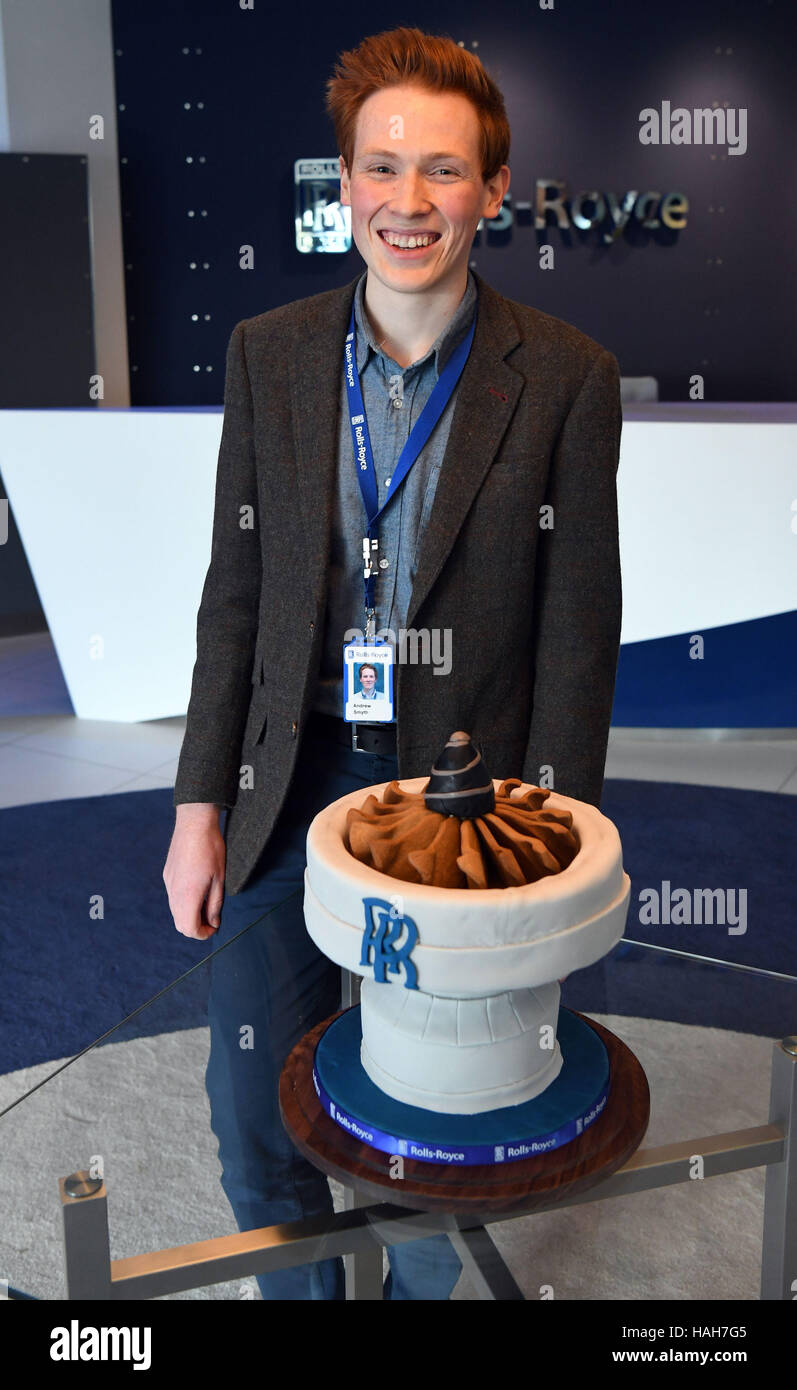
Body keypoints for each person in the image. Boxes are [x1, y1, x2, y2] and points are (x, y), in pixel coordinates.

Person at [163, 25, 622, 1300]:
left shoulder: (567, 378)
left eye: (440, 170)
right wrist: (198, 809)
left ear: (487, 193)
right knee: (254, 1114)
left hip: (457, 809)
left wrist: (553, 852)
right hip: (287, 782)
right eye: (379, 167)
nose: (406, 201)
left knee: (424, 1128)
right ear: (345, 183)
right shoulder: (270, 353)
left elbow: (579, 629)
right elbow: (235, 593)